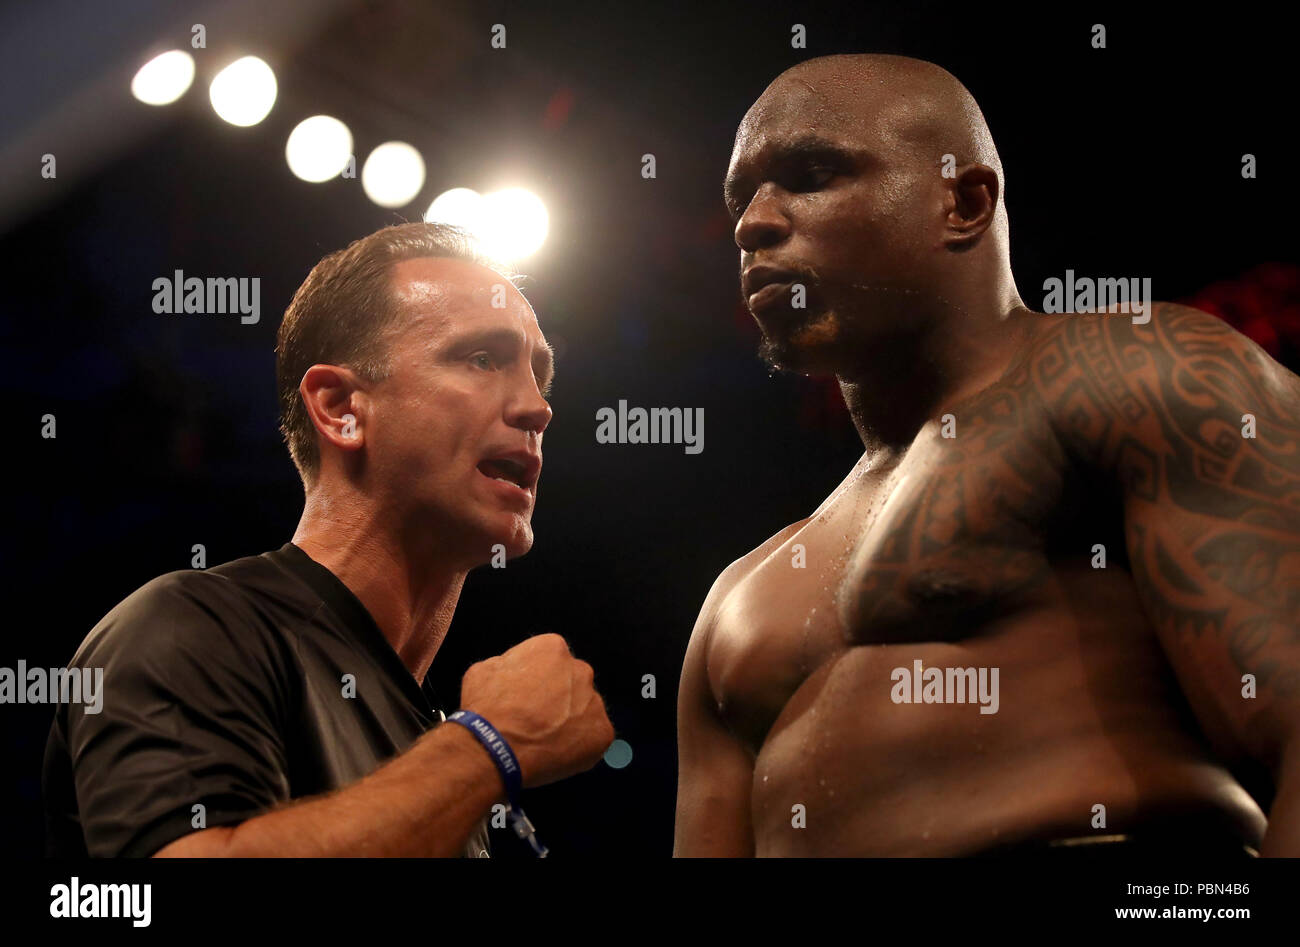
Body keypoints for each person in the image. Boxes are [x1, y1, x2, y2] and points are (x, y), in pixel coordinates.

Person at [674, 53, 1300, 857]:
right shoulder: (740, 593)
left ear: (962, 202)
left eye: (810, 172)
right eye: (741, 197)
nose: (752, 221)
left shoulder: (1144, 370)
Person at [44, 222, 614, 857]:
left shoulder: (430, 743)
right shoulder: (190, 627)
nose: (539, 409)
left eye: (541, 376)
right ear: (341, 406)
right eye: (483, 359)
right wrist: (489, 748)